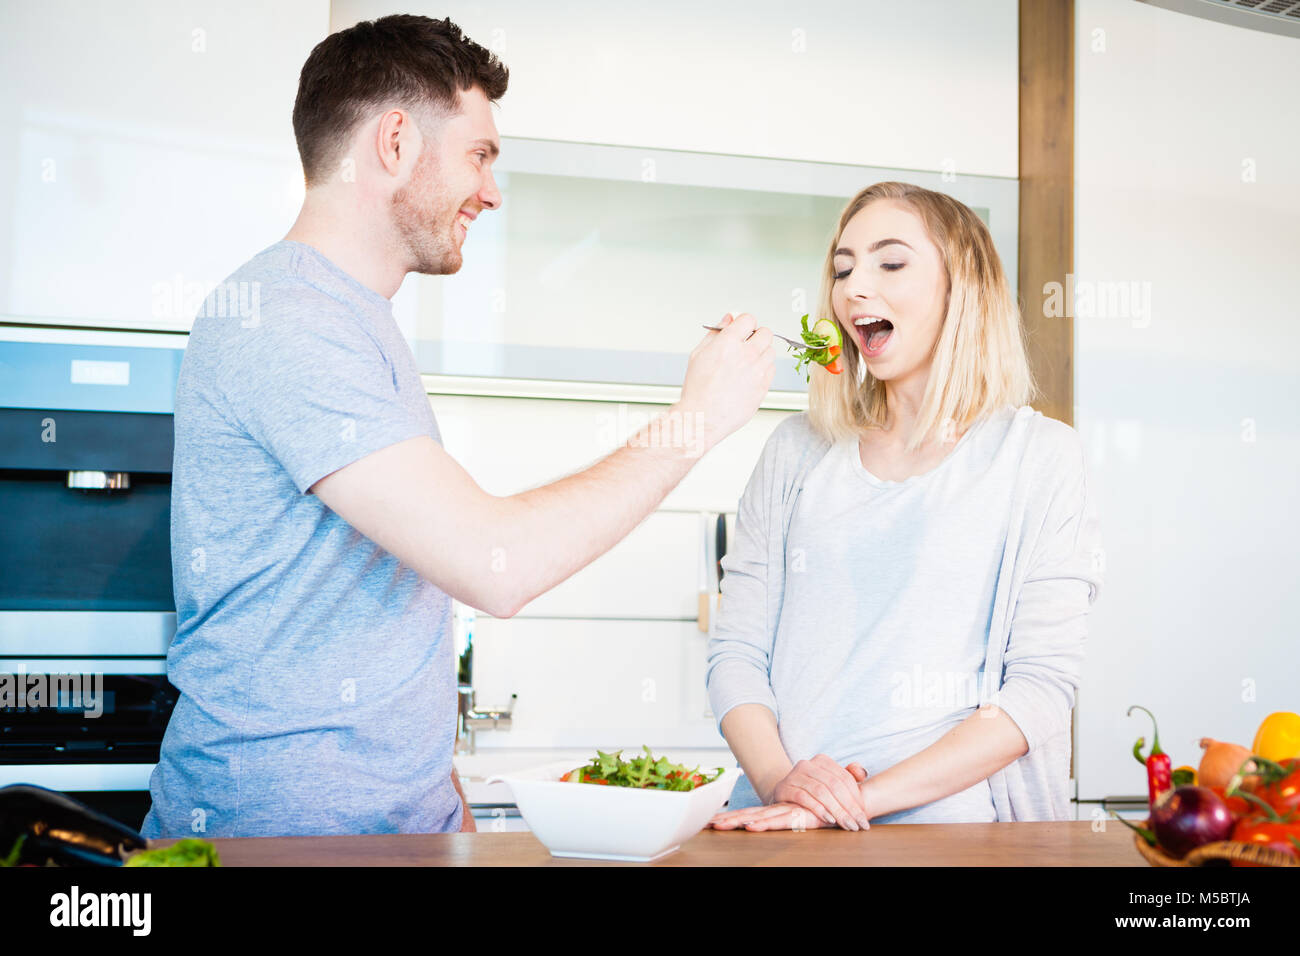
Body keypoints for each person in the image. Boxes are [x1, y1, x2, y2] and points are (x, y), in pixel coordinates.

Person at [140, 14, 775, 839]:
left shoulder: (352, 320)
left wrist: (442, 801)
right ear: (396, 141)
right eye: (480, 155)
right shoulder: (287, 323)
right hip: (280, 840)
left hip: (395, 828)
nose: (492, 190)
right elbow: (494, 563)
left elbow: (379, 602)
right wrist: (694, 422)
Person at [705, 181, 1104, 831]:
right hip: (781, 828)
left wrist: (852, 803)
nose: (854, 287)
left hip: (958, 836)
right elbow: (735, 657)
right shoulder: (797, 451)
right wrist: (788, 788)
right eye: (842, 268)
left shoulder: (1039, 457)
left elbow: (1040, 690)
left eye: (890, 262)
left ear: (963, 287)